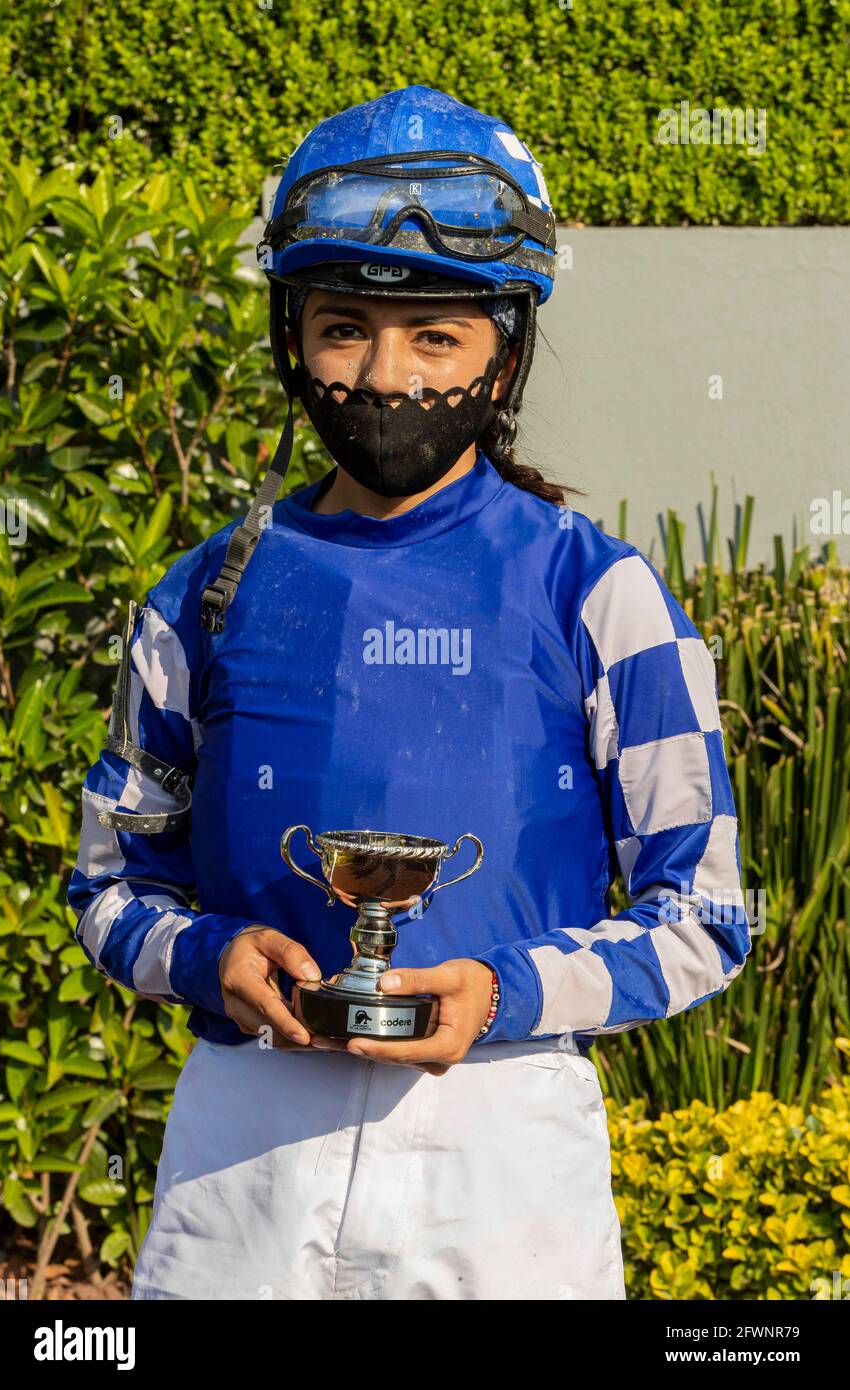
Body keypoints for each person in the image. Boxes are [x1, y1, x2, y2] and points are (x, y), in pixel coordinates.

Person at [67, 85, 751, 1301]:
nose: (384, 377)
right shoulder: (201, 595)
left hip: (501, 1154)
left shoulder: (598, 592)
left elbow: (702, 916)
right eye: (344, 327)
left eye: (434, 335)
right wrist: (208, 956)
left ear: (505, 350)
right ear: (291, 336)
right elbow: (112, 886)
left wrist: (501, 991)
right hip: (245, 1157)